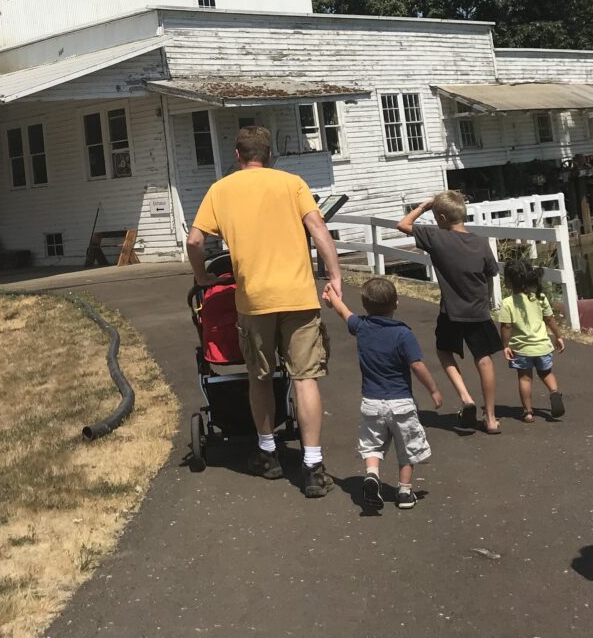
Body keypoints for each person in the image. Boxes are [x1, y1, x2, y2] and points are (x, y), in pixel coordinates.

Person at [187, 125, 344, 498]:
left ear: (238, 156)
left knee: (260, 376)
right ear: (269, 154)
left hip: (254, 298)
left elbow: (195, 240)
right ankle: (312, 464)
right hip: (299, 295)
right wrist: (335, 275)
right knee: (305, 378)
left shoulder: (220, 190)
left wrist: (202, 276)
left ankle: (268, 454)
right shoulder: (292, 183)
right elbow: (318, 228)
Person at [323, 277, 441, 509]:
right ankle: (405, 493)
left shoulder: (362, 326)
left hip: (372, 402)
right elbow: (417, 365)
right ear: (396, 303)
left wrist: (332, 296)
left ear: (366, 305)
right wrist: (434, 390)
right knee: (406, 447)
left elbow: (343, 312)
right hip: (401, 403)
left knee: (372, 445)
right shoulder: (403, 334)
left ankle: (372, 475)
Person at [396, 191, 503, 433]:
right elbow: (490, 275)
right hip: (478, 310)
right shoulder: (480, 242)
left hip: (451, 311)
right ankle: (492, 418)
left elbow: (402, 224)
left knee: (444, 352)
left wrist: (423, 206)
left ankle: (466, 397)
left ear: (442, 217)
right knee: (483, 360)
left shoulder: (436, 237)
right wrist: (487, 300)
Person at [497, 257, 567, 422]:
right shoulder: (540, 297)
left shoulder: (508, 303)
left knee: (525, 378)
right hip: (542, 346)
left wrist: (505, 345)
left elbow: (506, 327)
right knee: (546, 373)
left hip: (521, 349)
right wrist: (558, 336)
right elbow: (550, 319)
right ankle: (554, 392)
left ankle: (528, 412)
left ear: (507, 280)